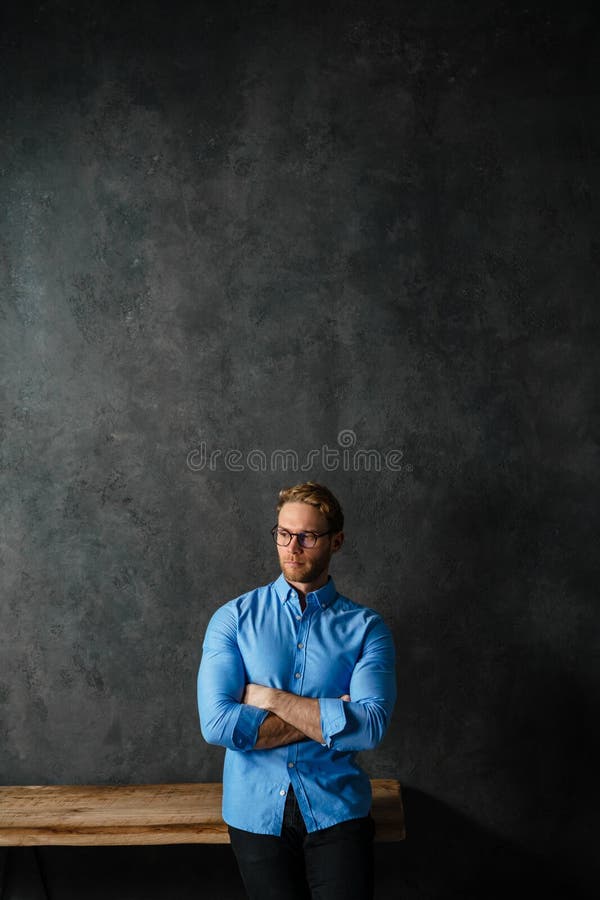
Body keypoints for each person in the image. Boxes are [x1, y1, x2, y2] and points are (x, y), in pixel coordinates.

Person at [197, 481, 396, 900]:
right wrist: (329, 716)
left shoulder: (366, 629)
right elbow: (217, 724)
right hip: (254, 815)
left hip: (338, 813)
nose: (292, 547)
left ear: (336, 541)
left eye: (307, 536)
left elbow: (370, 726)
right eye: (284, 534)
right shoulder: (232, 619)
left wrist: (271, 699)